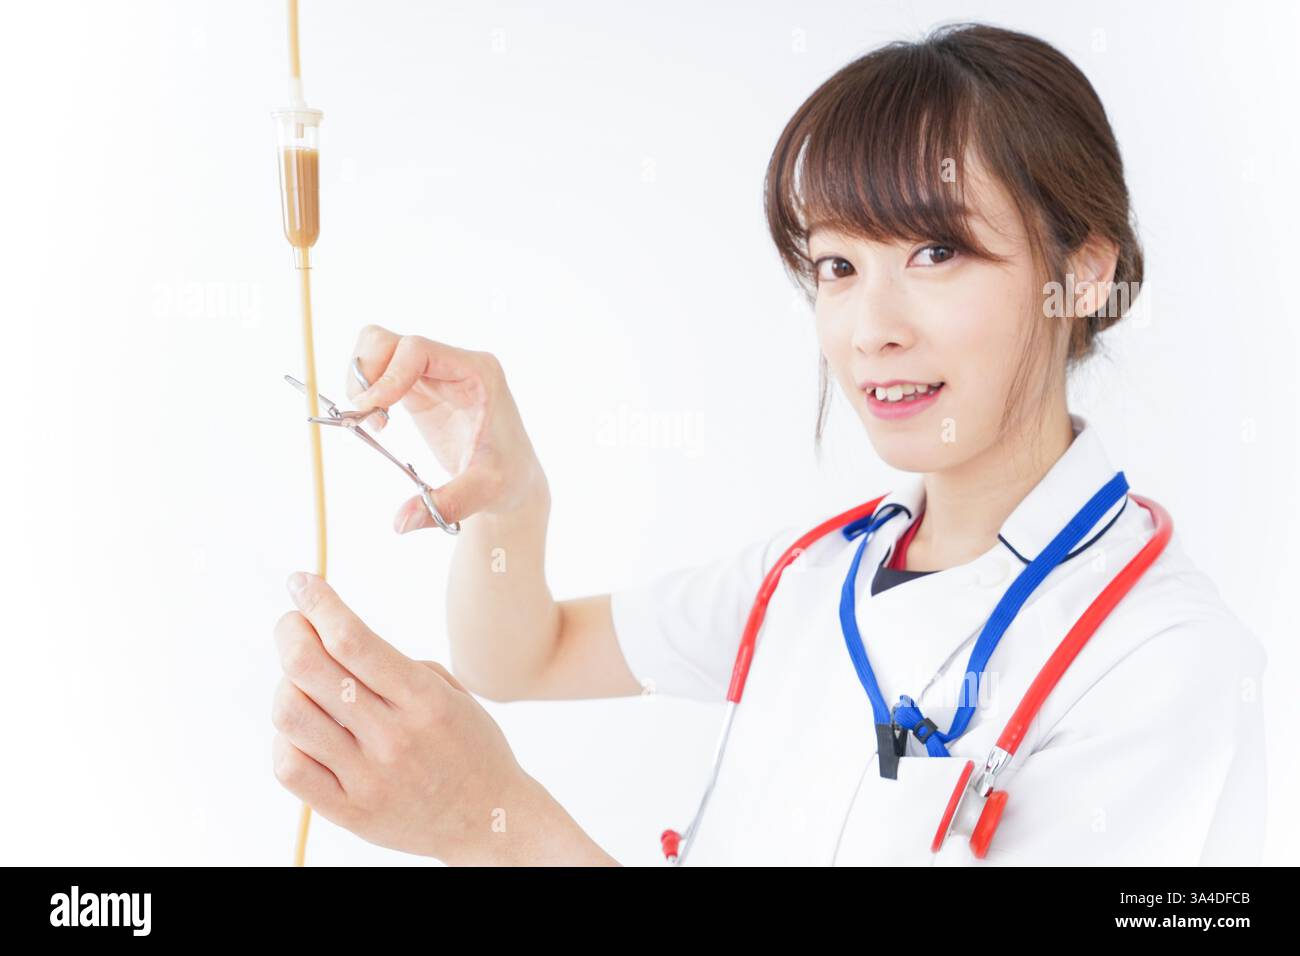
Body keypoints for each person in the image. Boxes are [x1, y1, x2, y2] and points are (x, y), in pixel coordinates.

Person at [269, 22, 1267, 866]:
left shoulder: (1160, 662)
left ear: (1082, 274)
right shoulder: (808, 575)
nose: (868, 325)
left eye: (936, 251)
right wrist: (506, 500)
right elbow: (517, 652)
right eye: (835, 263)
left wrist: (499, 828)